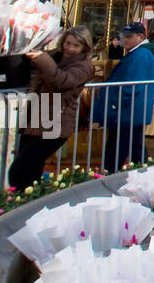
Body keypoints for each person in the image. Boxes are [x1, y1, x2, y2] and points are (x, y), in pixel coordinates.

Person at [7, 26, 95, 190]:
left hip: (56, 122)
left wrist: (42, 60)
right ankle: (29, 200)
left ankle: (23, 197)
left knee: (20, 169)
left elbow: (61, 81)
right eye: (67, 43)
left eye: (75, 45)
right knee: (30, 167)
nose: (69, 48)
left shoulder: (84, 66)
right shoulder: (55, 55)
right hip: (36, 118)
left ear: (84, 47)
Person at [92, 22, 154, 172]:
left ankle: (110, 174)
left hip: (127, 111)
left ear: (140, 37)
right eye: (124, 37)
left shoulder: (139, 56)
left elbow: (132, 85)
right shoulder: (139, 54)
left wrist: (116, 104)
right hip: (131, 111)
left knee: (118, 147)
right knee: (134, 146)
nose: (125, 40)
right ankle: (142, 173)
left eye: (129, 37)